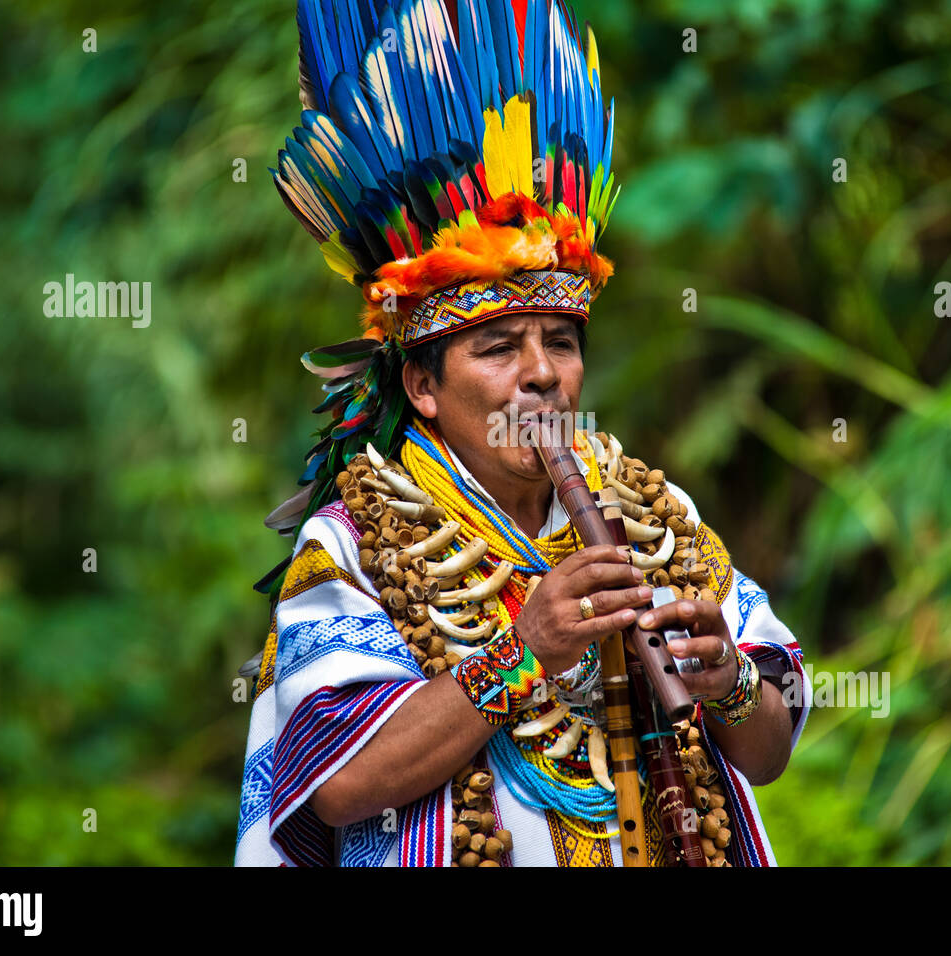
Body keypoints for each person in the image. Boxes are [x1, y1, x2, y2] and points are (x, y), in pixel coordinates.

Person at [235, 0, 810, 867]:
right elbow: (339, 783)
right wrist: (524, 654)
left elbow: (764, 754)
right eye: (499, 347)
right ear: (423, 385)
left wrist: (726, 681)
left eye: (563, 343)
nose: (542, 373)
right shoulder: (352, 544)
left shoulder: (658, 516)